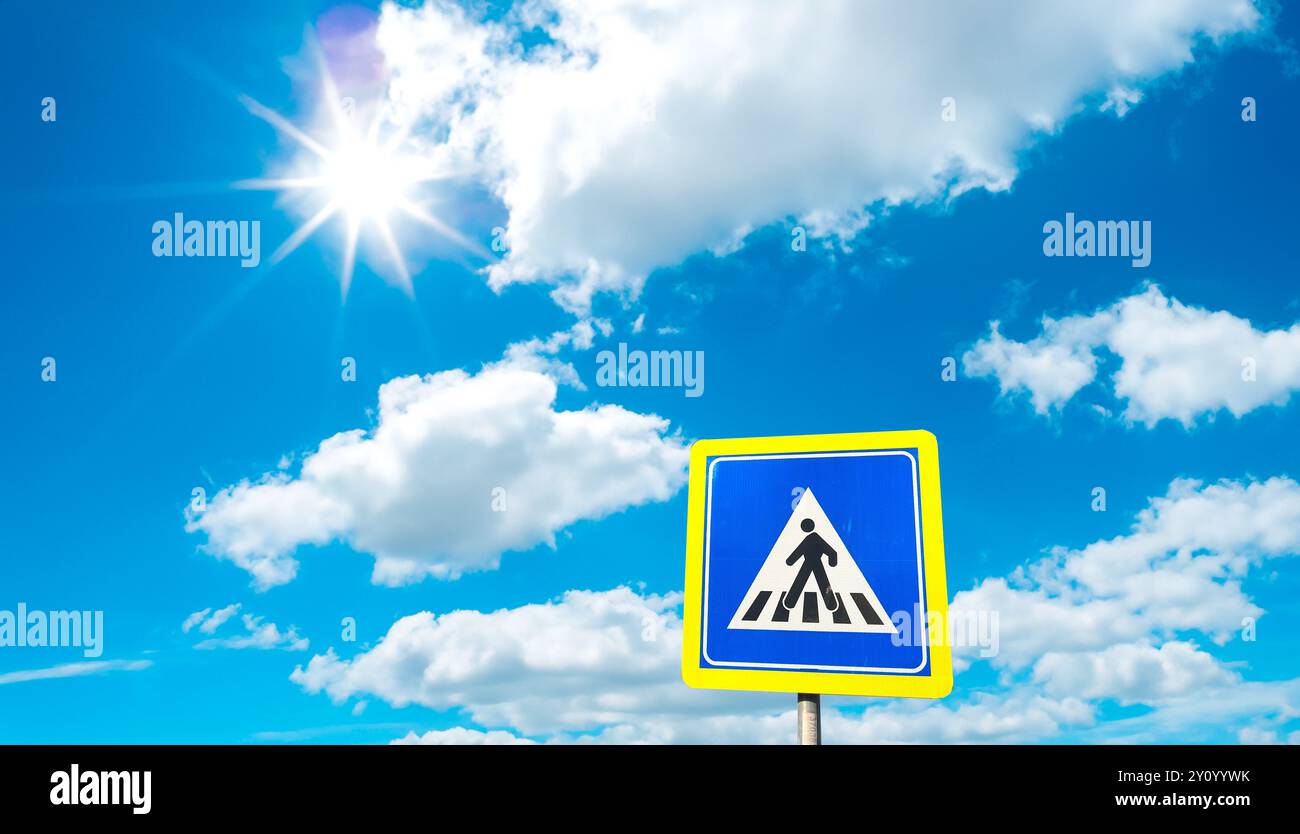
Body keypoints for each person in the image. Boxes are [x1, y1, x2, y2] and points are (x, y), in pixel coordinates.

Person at [781, 518, 838, 611]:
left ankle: (790, 602)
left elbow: (799, 551)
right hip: (816, 564)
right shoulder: (815, 538)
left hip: (809, 563)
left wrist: (790, 561)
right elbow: (832, 553)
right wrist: (832, 562)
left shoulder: (811, 539)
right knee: (822, 582)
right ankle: (831, 604)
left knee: (800, 581)